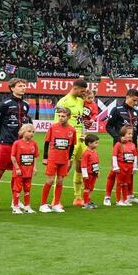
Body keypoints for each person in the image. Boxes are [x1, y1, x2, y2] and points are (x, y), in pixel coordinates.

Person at [0, 79, 31, 213]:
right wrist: (0, 139)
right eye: (20, 86)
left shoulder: (25, 105)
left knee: (17, 174)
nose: (23, 88)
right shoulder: (4, 104)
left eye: (24, 86)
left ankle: (15, 201)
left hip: (20, 145)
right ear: (12, 88)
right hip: (6, 144)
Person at [104, 89, 138, 205]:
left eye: (137, 101)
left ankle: (129, 195)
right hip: (120, 146)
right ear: (128, 97)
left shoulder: (137, 112)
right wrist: (118, 138)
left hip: (132, 146)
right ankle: (107, 196)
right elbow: (108, 127)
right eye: (134, 100)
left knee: (130, 170)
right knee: (115, 171)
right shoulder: (117, 110)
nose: (136, 103)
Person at [55, 79, 90, 207]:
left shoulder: (81, 101)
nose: (83, 93)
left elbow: (81, 119)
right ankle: (56, 200)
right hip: (69, 138)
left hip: (81, 138)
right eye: (82, 90)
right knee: (65, 167)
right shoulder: (63, 102)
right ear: (75, 88)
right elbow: (57, 123)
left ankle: (78, 197)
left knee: (82, 165)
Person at [40, 107, 77, 213]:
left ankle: (56, 203)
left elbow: (72, 146)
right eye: (59, 116)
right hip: (53, 158)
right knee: (50, 180)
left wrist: (69, 159)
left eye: (63, 116)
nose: (61, 118)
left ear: (68, 117)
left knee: (60, 181)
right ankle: (43, 204)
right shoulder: (53, 127)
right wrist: (45, 158)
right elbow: (47, 143)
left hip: (64, 159)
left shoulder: (72, 130)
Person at [10, 124, 39, 214]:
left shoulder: (34, 143)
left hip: (29, 171)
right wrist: (17, 168)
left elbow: (35, 156)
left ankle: (27, 206)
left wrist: (34, 167)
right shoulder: (17, 143)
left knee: (27, 189)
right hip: (20, 171)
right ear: (23, 132)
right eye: (29, 131)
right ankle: (15, 206)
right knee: (17, 189)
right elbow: (13, 156)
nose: (31, 134)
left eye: (33, 132)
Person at [112, 126, 138, 206]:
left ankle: (125, 199)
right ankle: (118, 200)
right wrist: (115, 166)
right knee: (120, 183)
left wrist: (134, 167)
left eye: (132, 134)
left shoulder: (133, 145)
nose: (131, 135)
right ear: (123, 134)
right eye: (129, 134)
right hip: (121, 167)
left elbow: (135, 156)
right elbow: (114, 155)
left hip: (129, 167)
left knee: (126, 184)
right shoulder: (118, 144)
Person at [78, 134, 100, 209]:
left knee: (91, 188)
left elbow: (96, 162)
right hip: (88, 174)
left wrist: (97, 171)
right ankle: (86, 202)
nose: (97, 144)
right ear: (89, 143)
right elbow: (83, 165)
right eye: (96, 143)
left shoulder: (95, 152)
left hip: (94, 173)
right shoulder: (86, 153)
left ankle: (89, 201)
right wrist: (85, 175)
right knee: (87, 188)